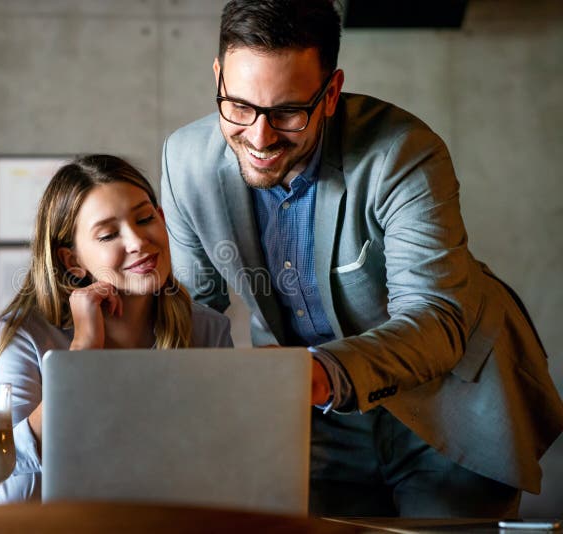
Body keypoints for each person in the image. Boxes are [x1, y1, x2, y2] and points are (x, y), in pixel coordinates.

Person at [160, 0, 563, 517]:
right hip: (312, 417)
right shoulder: (184, 160)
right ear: (218, 77)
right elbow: (193, 312)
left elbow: (436, 318)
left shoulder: (403, 151)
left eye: (287, 112)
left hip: (445, 399)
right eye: (238, 106)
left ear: (330, 94)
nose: (259, 138)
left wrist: (319, 372)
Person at [0, 154, 233, 502]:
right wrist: (82, 354)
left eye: (145, 218)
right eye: (108, 234)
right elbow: (12, 491)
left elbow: (225, 473)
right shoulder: (27, 337)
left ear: (162, 220)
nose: (137, 242)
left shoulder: (209, 330)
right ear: (72, 260)